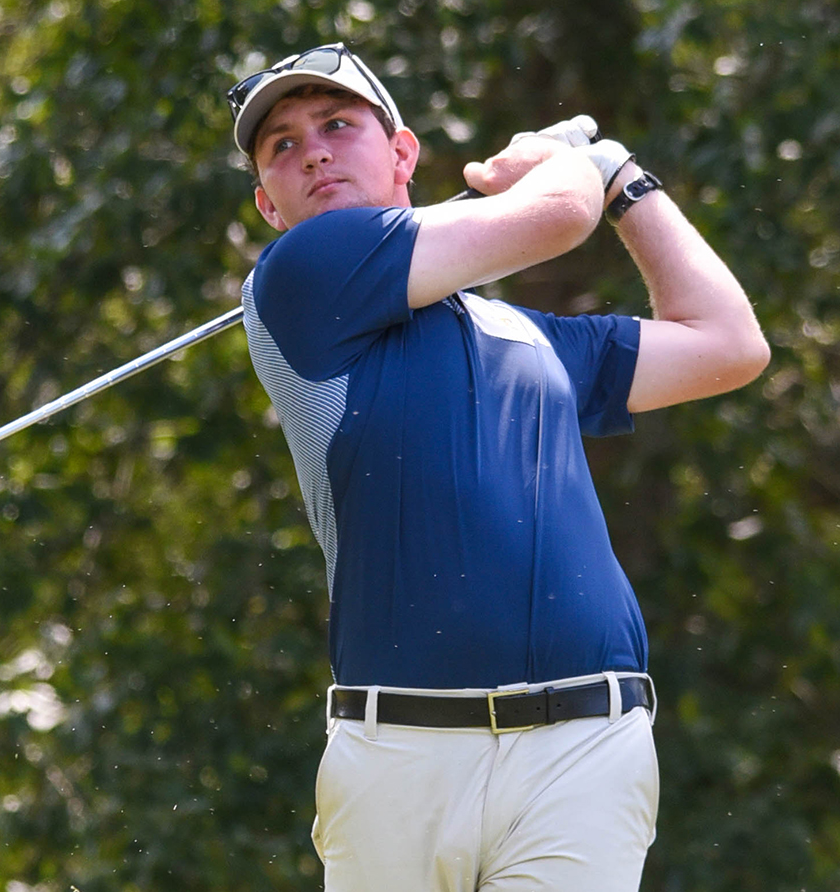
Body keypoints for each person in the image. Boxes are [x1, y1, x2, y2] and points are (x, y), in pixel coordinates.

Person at [226, 43, 769, 892]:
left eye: (336, 125)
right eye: (283, 145)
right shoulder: (300, 276)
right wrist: (566, 165)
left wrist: (624, 180)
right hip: (399, 758)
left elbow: (728, 344)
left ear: (403, 153)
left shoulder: (527, 336)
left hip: (582, 754)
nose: (315, 153)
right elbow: (557, 218)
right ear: (268, 204)